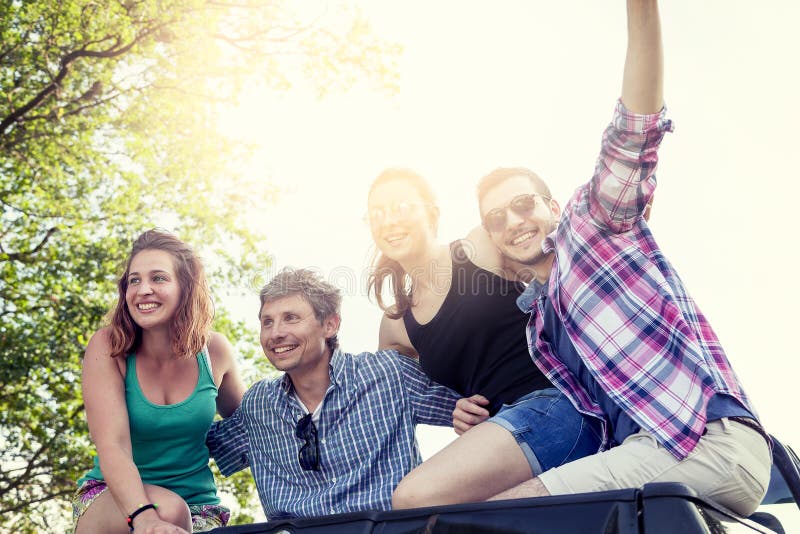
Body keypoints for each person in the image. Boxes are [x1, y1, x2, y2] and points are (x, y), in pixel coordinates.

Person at [455, 0, 771, 518]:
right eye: (496, 218)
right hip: (650, 457)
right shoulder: (540, 321)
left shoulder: (593, 225)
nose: (512, 222)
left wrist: (641, 12)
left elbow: (634, 130)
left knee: (500, 516)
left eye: (523, 204)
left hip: (702, 439)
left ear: (553, 206)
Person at [367, 172, 601, 508]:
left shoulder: (478, 248)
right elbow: (411, 395)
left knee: (412, 497)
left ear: (432, 213)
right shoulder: (396, 326)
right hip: (502, 431)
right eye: (377, 213)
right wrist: (456, 408)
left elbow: (552, 267)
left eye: (401, 207)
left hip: (557, 409)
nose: (389, 220)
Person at [205, 268, 460, 519]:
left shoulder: (389, 374)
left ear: (330, 325)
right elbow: (191, 442)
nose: (276, 333)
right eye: (267, 322)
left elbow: (475, 409)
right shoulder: (259, 406)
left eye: (291, 318)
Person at [73, 229, 245, 533]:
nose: (143, 290)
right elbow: (113, 445)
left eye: (158, 278)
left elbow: (255, 425)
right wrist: (146, 519)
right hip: (113, 502)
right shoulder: (109, 346)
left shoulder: (214, 352)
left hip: (199, 508)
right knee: (169, 511)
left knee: (177, 512)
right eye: (134, 280)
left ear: (185, 288)